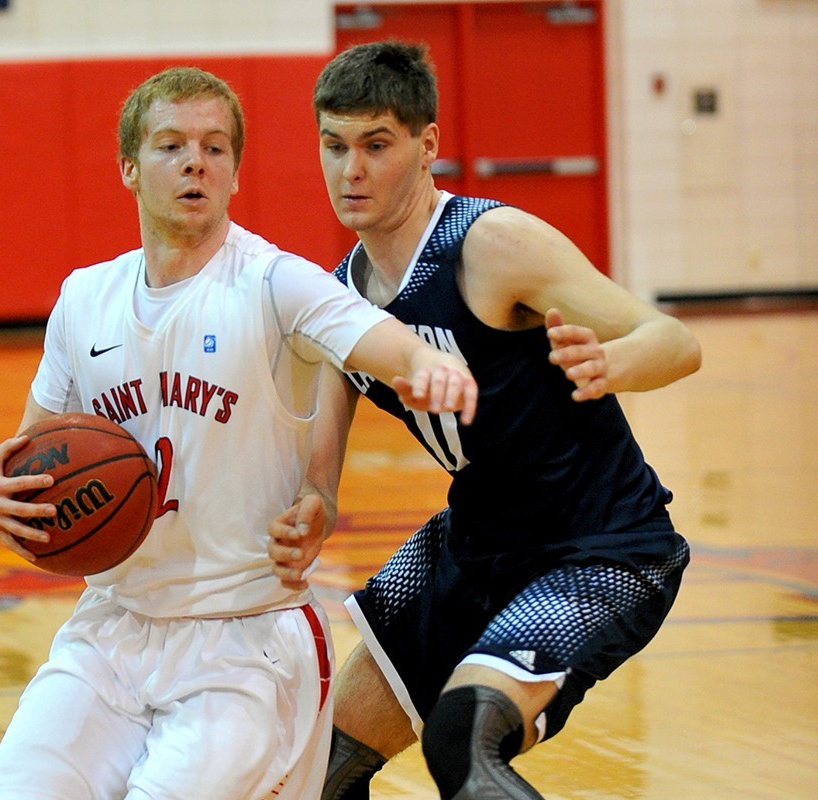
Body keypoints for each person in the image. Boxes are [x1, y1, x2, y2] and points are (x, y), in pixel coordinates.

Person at [0, 66, 478, 800]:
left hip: (245, 637)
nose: (196, 161)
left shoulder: (274, 282)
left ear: (234, 171)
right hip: (112, 626)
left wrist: (427, 364)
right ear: (130, 168)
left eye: (215, 147)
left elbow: (372, 337)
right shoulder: (84, 299)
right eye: (171, 145)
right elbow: (25, 459)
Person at [268, 41, 703, 800]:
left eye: (377, 145)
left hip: (599, 546)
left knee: (463, 737)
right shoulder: (340, 299)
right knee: (316, 767)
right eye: (334, 146)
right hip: (473, 545)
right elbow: (322, 470)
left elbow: (677, 341)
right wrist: (314, 504)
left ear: (428, 143)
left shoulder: (490, 244)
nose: (352, 171)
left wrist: (612, 365)